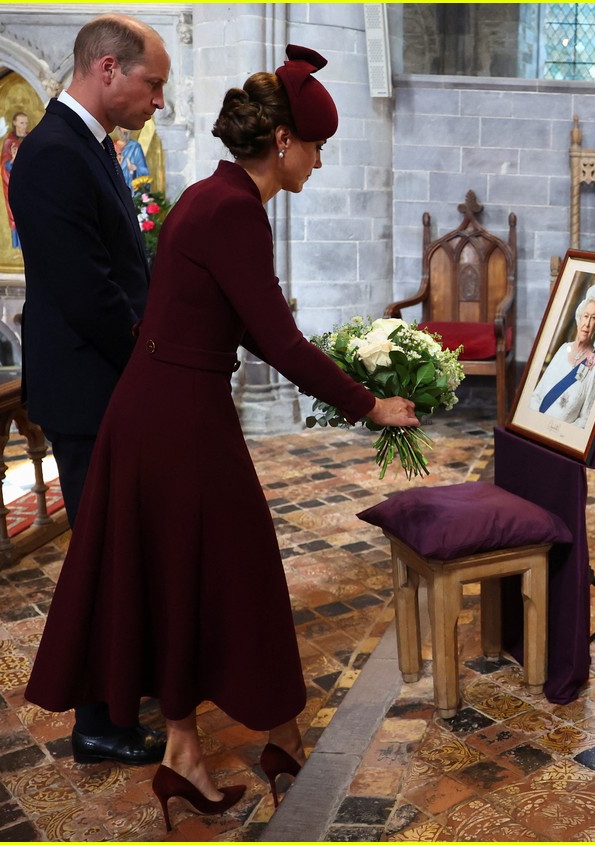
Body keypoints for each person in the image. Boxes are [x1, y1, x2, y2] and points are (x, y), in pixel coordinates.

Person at [23, 43, 419, 828]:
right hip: (178, 419)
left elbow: (244, 323)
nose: (318, 163)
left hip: (166, 407)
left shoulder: (211, 197)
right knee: (246, 574)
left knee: (184, 574)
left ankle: (186, 752)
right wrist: (369, 403)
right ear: (282, 144)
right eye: (316, 148)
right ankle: (280, 742)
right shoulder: (234, 210)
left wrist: (339, 372)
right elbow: (275, 337)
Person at [10, 14, 171, 768]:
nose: (158, 101)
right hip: (86, 392)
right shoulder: (49, 153)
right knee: (102, 556)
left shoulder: (92, 146)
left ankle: (123, 686)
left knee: (121, 548)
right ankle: (97, 721)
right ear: (108, 69)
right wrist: (154, 360)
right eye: (153, 83)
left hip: (107, 385)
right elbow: (88, 293)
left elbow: (121, 270)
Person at [529, 282, 595, 428]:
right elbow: (536, 395)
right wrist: (537, 424)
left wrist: (561, 433)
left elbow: (586, 417)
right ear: (579, 318)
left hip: (560, 438)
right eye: (586, 316)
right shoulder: (563, 349)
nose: (587, 324)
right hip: (537, 426)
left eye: (593, 318)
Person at [0, 111, 29, 248]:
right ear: (15, 123)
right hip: (14, 185)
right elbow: (4, 165)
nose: (24, 126)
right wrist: (13, 160)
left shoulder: (31, 139)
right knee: (17, 213)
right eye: (22, 123)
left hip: (31, 185)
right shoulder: (9, 142)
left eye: (26, 123)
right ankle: (19, 247)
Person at [114, 126, 151, 194]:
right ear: (118, 129)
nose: (125, 131)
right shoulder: (112, 146)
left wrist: (135, 168)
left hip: (131, 187)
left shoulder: (135, 147)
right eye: (123, 127)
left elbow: (145, 171)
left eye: (128, 127)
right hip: (115, 186)